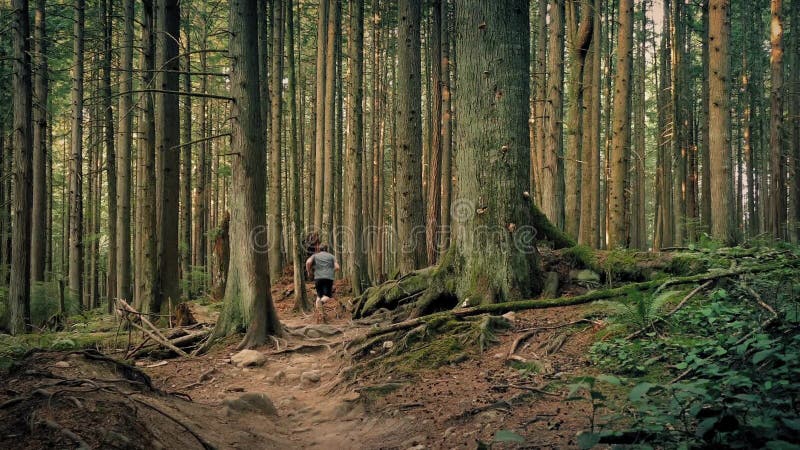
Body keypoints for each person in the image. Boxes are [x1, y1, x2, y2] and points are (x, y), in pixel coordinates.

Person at [305, 244, 340, 322]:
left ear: (319, 249)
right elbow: (337, 267)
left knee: (319, 295)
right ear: (327, 249)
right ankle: (321, 306)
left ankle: (319, 315)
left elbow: (308, 262)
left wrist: (308, 271)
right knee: (327, 296)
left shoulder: (315, 256)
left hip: (318, 278)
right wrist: (331, 271)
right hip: (328, 278)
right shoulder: (331, 256)